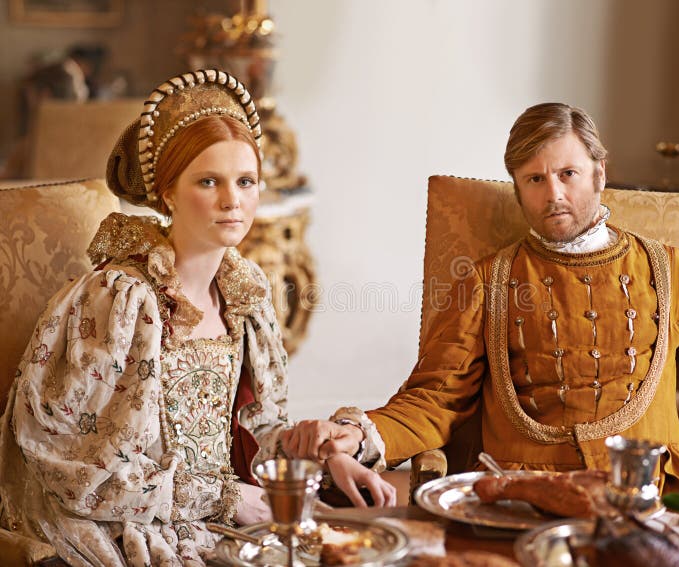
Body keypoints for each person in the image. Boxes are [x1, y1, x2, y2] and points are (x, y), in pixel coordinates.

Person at [0, 69, 394, 567]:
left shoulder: (244, 294)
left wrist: (327, 457)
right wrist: (225, 500)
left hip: (216, 517)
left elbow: (258, 430)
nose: (233, 200)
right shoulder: (120, 299)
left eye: (245, 181)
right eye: (208, 181)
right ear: (167, 193)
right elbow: (74, 466)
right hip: (125, 521)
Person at [281, 102, 679, 494]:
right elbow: (434, 399)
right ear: (518, 188)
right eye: (535, 179)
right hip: (520, 497)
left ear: (599, 173)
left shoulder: (672, 267)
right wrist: (361, 433)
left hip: (649, 491)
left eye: (568, 174)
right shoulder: (485, 282)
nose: (553, 195)